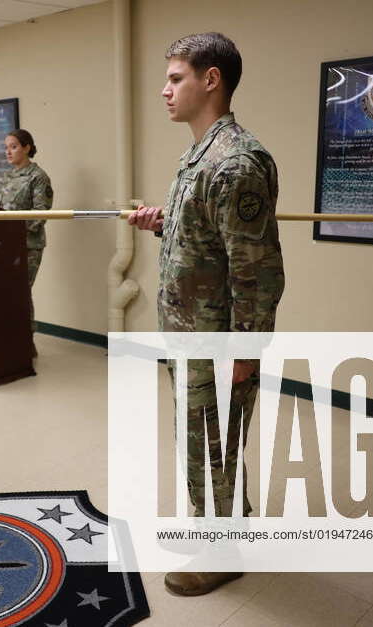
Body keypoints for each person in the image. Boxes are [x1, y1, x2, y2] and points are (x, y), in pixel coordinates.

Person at [127, 32, 284, 596]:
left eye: (175, 78)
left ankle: (222, 553)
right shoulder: (200, 154)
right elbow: (208, 241)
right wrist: (161, 223)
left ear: (210, 79)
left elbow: (257, 271)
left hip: (216, 341)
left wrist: (245, 350)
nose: (164, 90)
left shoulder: (236, 161)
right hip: (189, 334)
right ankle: (216, 527)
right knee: (201, 442)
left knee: (211, 445)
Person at [0, 129, 53, 351]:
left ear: (27, 147)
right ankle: (14, 340)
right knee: (9, 291)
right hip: (4, 245)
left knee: (20, 291)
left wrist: (13, 233)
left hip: (28, 245)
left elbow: (41, 213)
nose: (8, 151)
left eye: (14, 146)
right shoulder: (7, 176)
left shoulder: (38, 177)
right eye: (6, 147)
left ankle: (26, 342)